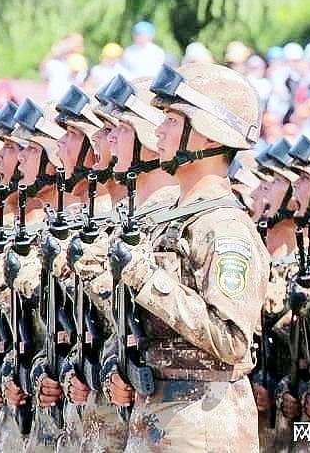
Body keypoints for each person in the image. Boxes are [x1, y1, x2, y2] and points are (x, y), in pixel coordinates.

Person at [104, 62, 269, 452]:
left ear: (209, 134)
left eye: (174, 121)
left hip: (204, 425)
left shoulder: (225, 228)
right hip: (158, 417)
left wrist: (148, 281)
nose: (158, 131)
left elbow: (232, 339)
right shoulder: (171, 218)